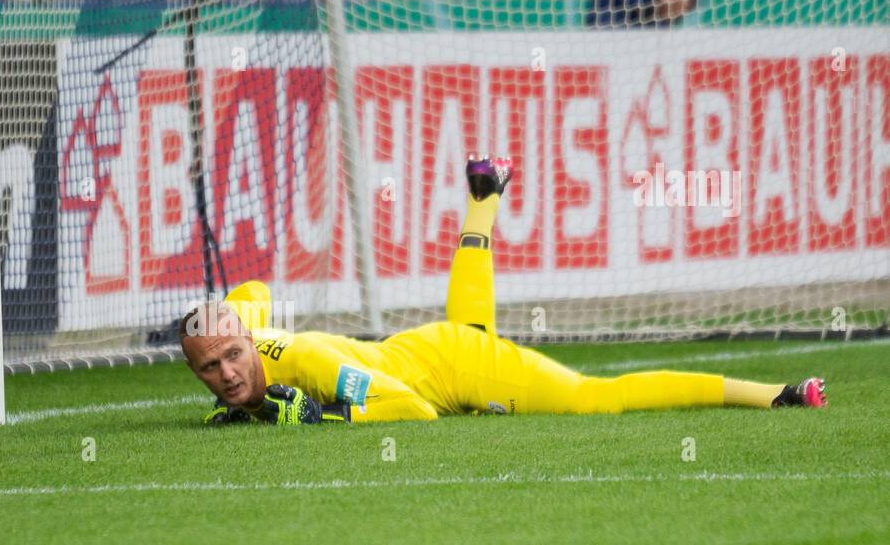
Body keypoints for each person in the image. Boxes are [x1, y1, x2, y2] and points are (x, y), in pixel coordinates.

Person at [179, 157, 826, 425]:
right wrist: (226, 318)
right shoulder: (243, 327)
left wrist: (324, 416)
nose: (228, 372)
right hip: (429, 347)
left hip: (458, 371)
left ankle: (772, 393)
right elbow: (257, 289)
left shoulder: (311, 365)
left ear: (247, 343)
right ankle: (483, 198)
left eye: (232, 354)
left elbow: (411, 410)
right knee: (471, 323)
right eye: (210, 367)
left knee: (593, 400)